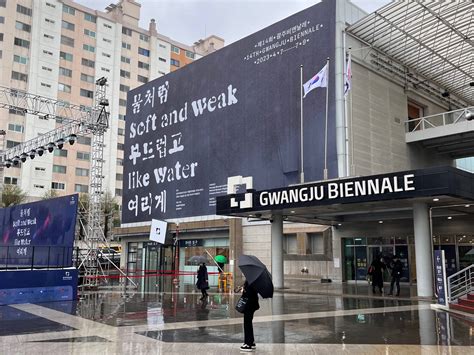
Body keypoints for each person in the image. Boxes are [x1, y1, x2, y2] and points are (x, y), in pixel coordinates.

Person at [239, 280, 259, 352]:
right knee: (249, 323)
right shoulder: (254, 280)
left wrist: (244, 291)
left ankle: (248, 344)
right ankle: (251, 342)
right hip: (252, 304)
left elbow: (249, 293)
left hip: (249, 304)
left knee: (247, 323)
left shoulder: (251, 280)